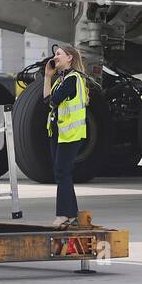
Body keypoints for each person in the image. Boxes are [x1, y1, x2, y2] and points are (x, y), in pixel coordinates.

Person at [43, 43, 89, 229]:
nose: (55, 57)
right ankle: (72, 215)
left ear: (69, 58)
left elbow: (54, 100)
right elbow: (47, 100)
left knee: (62, 172)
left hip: (70, 133)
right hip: (59, 133)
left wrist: (52, 82)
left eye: (59, 54)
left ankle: (63, 215)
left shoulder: (72, 79)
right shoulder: (60, 80)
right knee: (62, 173)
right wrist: (47, 77)